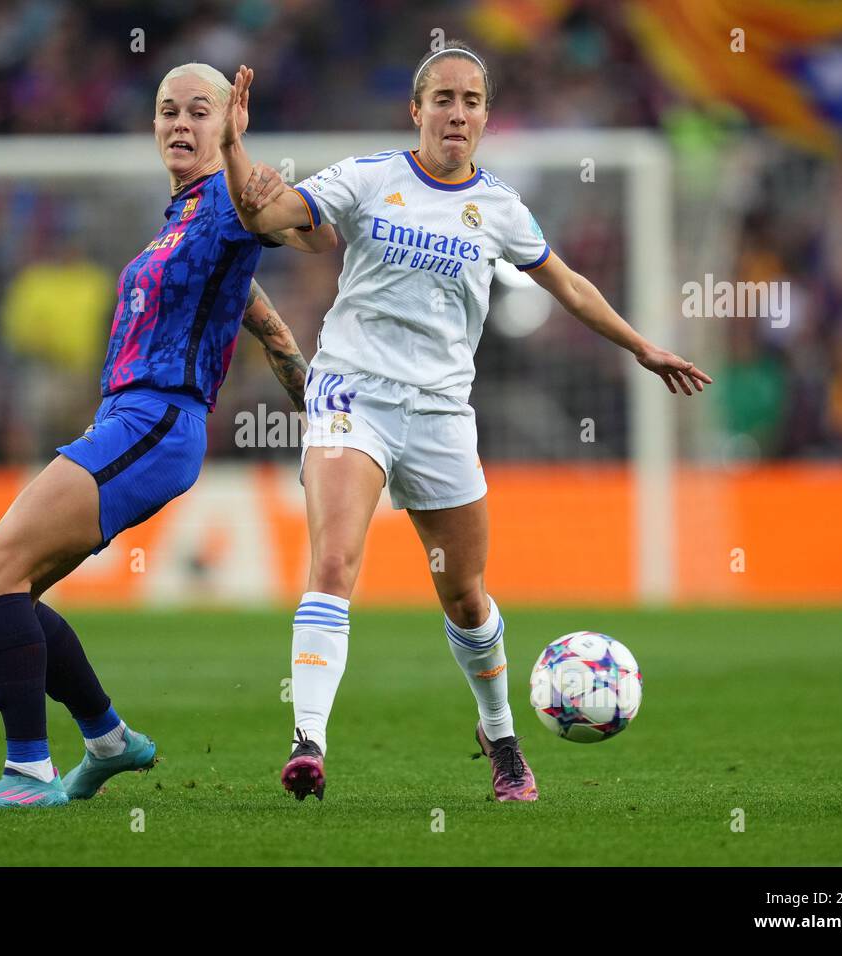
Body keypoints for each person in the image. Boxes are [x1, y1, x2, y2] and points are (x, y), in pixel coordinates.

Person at [218, 43, 712, 803]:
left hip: (443, 416)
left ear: (485, 116)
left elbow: (569, 285)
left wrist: (641, 346)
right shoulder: (368, 178)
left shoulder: (501, 209)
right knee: (334, 564)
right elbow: (269, 211)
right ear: (415, 111)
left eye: (471, 100)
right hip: (354, 396)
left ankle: (503, 738)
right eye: (442, 98)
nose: (457, 112)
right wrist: (232, 146)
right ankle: (308, 739)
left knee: (466, 597)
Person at [0, 63, 336, 810]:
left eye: (200, 111)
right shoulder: (189, 218)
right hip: (129, 422)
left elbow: (310, 227)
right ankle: (107, 740)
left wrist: (252, 169)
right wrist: (316, 418)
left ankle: (28, 776)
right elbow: (271, 326)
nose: (180, 124)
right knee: (12, 592)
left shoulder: (230, 198)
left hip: (156, 421)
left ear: (229, 123)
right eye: (167, 112)